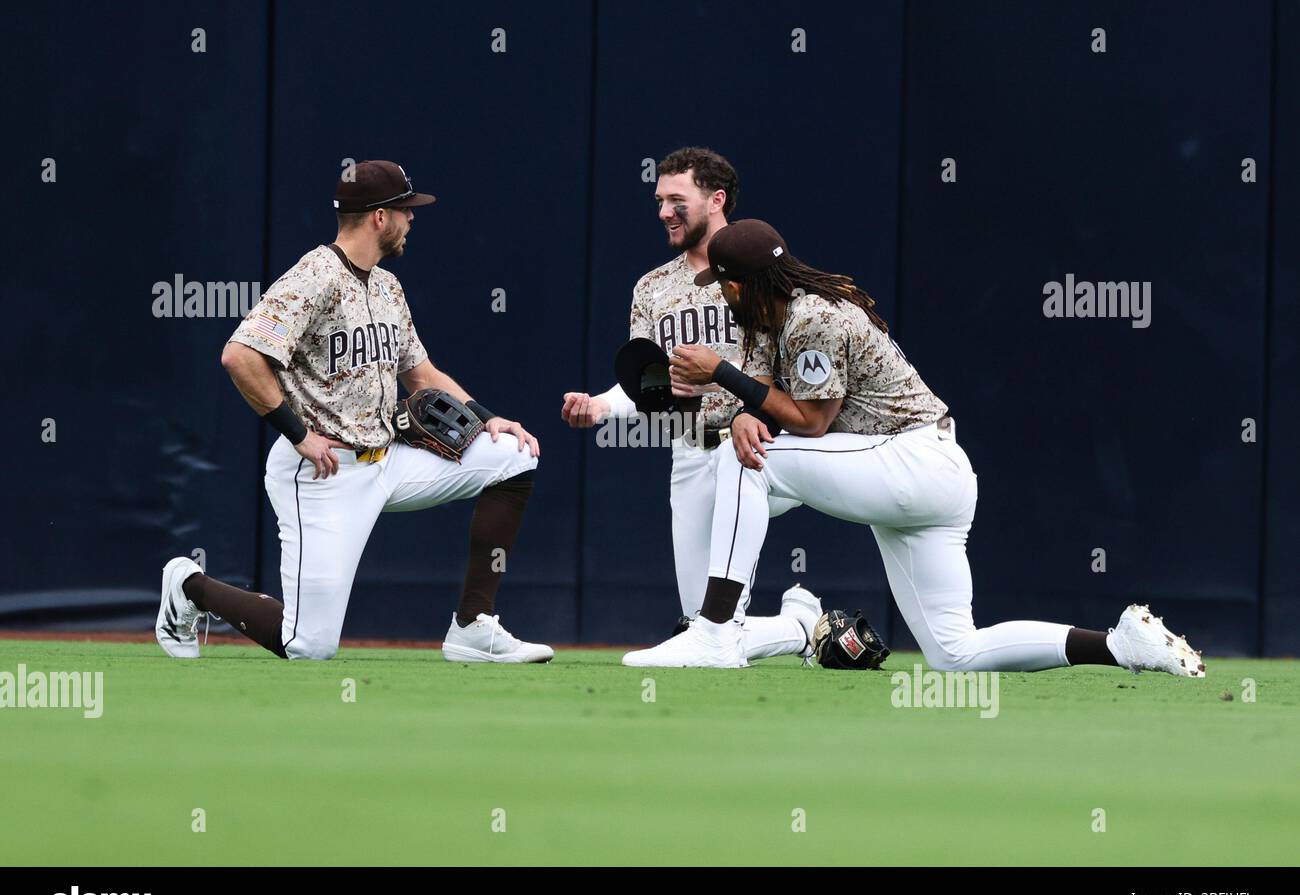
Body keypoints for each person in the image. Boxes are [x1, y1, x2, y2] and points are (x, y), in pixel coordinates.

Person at [625, 218, 1205, 678]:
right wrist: (745, 411)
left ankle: (717, 631)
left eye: (720, 283)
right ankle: (1117, 645)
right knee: (956, 653)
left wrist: (724, 377)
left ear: (735, 284)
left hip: (912, 461)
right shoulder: (769, 318)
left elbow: (812, 420)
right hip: (921, 475)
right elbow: (769, 402)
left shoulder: (813, 317)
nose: (717, 293)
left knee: (740, 463)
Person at [154, 160, 551, 663]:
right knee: (309, 645)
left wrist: (487, 416)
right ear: (380, 218)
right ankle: (188, 586)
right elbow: (240, 355)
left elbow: (422, 374)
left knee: (513, 456)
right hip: (323, 472)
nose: (413, 220)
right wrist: (297, 433)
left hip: (388, 461)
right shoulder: (314, 276)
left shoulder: (387, 286)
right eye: (407, 210)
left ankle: (472, 626)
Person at [561, 148, 818, 664]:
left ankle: (789, 626)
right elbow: (649, 387)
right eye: (659, 201)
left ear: (715, 199)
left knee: (712, 628)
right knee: (699, 621)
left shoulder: (759, 268)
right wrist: (600, 407)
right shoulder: (653, 288)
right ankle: (799, 626)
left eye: (677, 200)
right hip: (690, 452)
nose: (663, 212)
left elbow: (797, 366)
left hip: (757, 449)